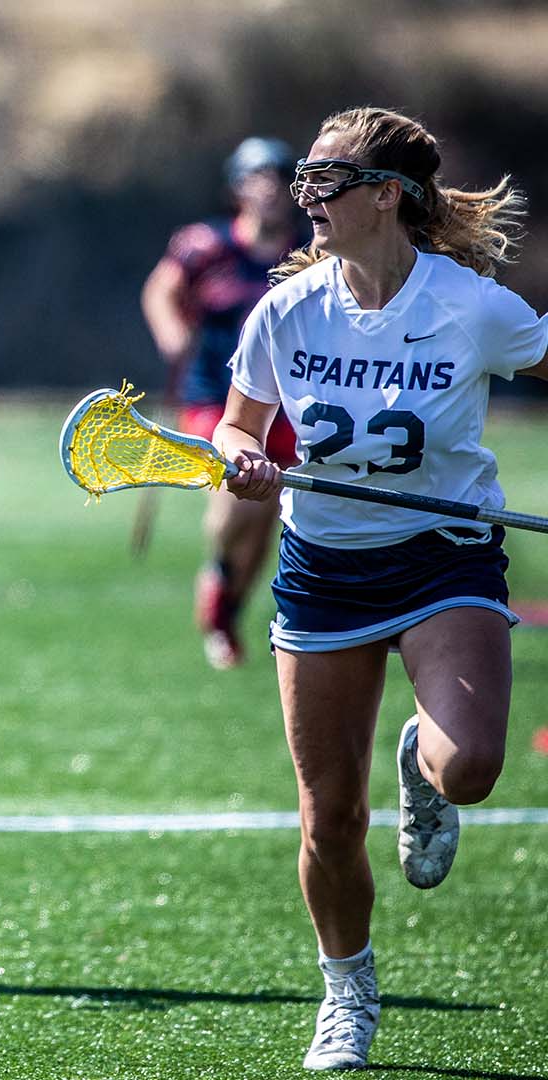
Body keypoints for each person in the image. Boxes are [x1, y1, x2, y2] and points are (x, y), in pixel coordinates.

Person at [215, 106, 546, 1070]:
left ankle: (425, 762)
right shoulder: (287, 308)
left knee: (472, 767)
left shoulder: (472, 307)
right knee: (331, 818)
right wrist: (244, 460)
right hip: (322, 572)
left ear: (389, 198)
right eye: (303, 179)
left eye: (326, 182)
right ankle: (347, 993)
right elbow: (241, 424)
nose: (301, 197)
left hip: (444, 556)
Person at [141, 136, 313, 669]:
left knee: (267, 515)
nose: (268, 189)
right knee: (237, 491)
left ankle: (229, 608)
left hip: (285, 401)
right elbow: (161, 291)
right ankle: (217, 569)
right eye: (256, 178)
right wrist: (173, 333)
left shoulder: (309, 251)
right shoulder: (206, 245)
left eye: (279, 178)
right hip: (213, 395)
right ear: (237, 187)